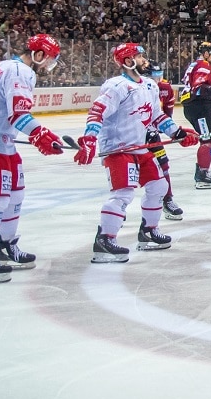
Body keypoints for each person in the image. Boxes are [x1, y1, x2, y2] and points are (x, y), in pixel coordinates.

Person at [73, 43, 200, 262]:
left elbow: (156, 118)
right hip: (118, 148)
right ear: (128, 61)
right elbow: (97, 113)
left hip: (139, 147)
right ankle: (104, 240)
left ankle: (148, 231)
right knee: (123, 194)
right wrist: (90, 138)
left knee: (159, 186)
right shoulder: (116, 86)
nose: (145, 60)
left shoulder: (149, 86)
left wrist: (178, 133)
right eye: (140, 57)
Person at [0, 34, 63, 284]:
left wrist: (39, 133)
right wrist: (39, 133)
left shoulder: (6, 66)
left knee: (15, 195)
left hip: (1, 141)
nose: (47, 66)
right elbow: (18, 115)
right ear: (38, 54)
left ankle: (6, 246)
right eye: (48, 60)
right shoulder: (21, 71)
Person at [180, 41, 211, 189]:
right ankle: (202, 175)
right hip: (198, 106)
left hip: (195, 106)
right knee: (209, 139)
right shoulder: (204, 65)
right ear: (206, 53)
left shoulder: (193, 65)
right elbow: (198, 88)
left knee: (209, 138)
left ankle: (202, 171)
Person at [146, 62, 183, 220]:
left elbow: (166, 115)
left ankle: (167, 199)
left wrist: (174, 131)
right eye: (153, 77)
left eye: (158, 76)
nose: (156, 80)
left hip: (152, 134)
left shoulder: (165, 88)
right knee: (129, 172)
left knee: (163, 165)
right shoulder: (132, 88)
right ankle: (119, 209)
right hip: (130, 136)